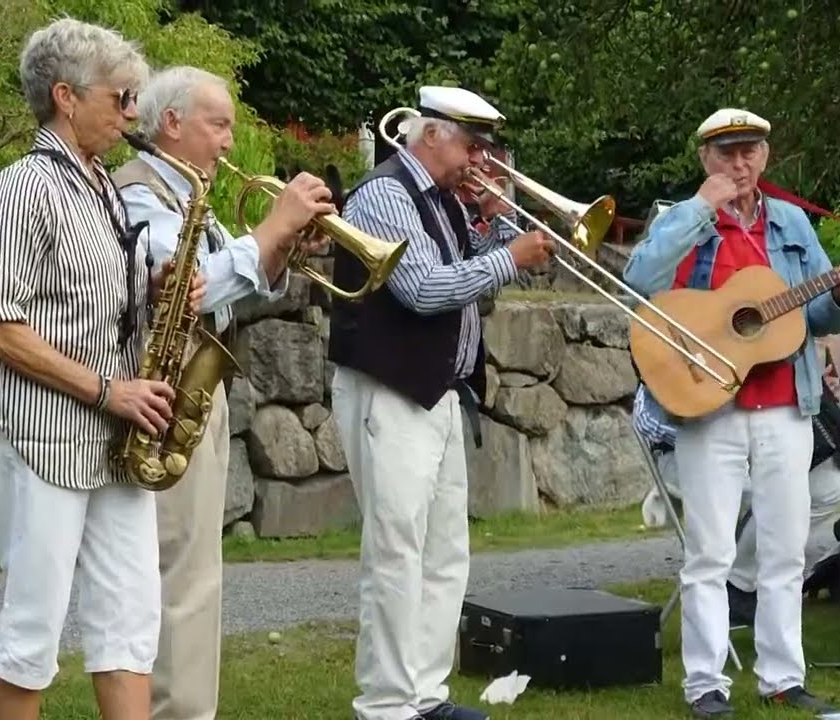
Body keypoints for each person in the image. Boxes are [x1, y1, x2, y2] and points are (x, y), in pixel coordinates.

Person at [0, 18, 203, 720]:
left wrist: (156, 293)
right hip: (43, 437)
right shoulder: (21, 188)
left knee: (129, 622)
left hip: (113, 440)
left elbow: (90, 302)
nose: (133, 113)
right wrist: (107, 390)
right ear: (66, 97)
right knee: (32, 624)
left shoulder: (96, 184)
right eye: (122, 97)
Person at [622, 107, 840, 717]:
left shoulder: (790, 222)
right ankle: (705, 683)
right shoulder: (682, 220)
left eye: (750, 151)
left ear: (766, 156)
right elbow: (639, 277)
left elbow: (812, 314)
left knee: (786, 549)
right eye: (727, 153)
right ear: (706, 158)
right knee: (710, 551)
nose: (740, 163)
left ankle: (783, 677)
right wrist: (699, 207)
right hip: (710, 406)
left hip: (787, 403)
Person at [114, 65, 336, 720]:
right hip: (161, 391)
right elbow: (185, 285)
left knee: (198, 574)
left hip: (191, 389)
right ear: (172, 124)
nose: (230, 144)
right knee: (177, 575)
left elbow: (240, 284)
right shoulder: (139, 192)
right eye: (220, 124)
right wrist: (269, 229)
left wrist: (280, 246)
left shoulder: (191, 193)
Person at [328, 86, 552, 720]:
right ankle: (386, 703)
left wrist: (499, 220)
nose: (479, 159)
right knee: (397, 551)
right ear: (430, 136)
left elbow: (474, 273)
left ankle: (424, 693)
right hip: (390, 388)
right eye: (471, 145)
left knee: (446, 550)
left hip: (439, 394)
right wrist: (510, 256)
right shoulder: (386, 195)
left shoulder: (443, 202)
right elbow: (426, 290)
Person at [633, 375, 840, 628]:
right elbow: (646, 421)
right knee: (762, 495)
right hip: (690, 450)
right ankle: (736, 590)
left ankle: (740, 582)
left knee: (831, 488)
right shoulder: (661, 352)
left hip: (757, 442)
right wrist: (707, 422)